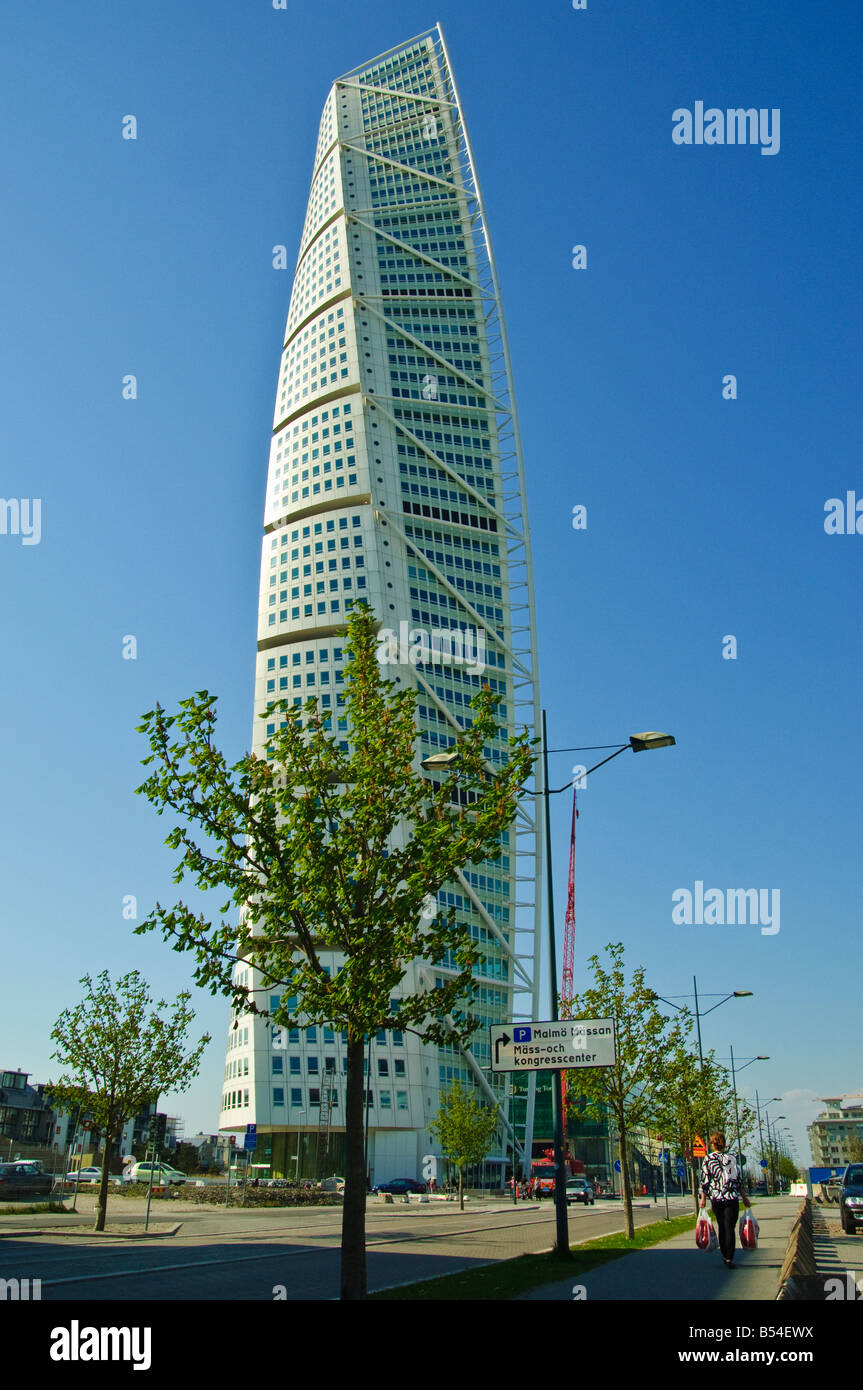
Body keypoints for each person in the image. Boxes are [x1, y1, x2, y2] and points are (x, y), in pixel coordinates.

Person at [699, 1131, 752, 1267]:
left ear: (712, 1144)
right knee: (730, 1227)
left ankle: (724, 1254)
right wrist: (744, 1198)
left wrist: (703, 1199)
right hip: (731, 1197)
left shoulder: (708, 1159)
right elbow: (737, 1180)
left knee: (722, 1226)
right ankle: (729, 1257)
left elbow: (705, 1181)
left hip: (717, 1198)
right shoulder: (732, 1158)